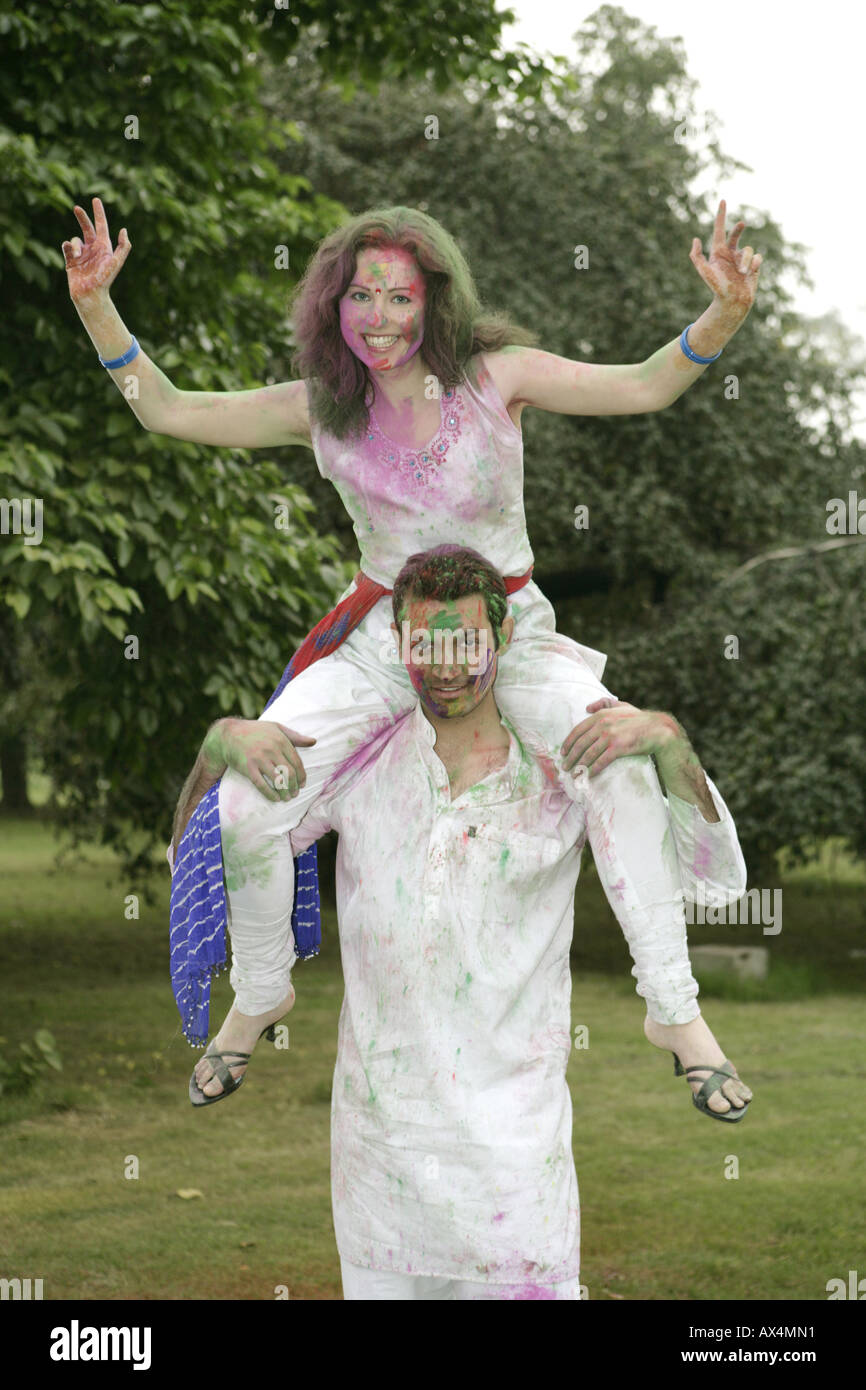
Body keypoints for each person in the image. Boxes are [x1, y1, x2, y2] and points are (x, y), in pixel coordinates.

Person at [62, 196, 763, 1085]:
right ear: (334, 305)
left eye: (400, 298)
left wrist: (725, 309)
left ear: (434, 300)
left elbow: (644, 385)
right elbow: (165, 409)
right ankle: (264, 991)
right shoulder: (321, 406)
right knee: (245, 799)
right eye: (361, 296)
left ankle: (675, 1012)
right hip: (384, 644)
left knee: (621, 760)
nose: (381, 319)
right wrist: (95, 304)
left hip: (513, 634)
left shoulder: (495, 377)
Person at [196, 545, 752, 1300]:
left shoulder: (561, 773)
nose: (447, 666)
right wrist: (222, 740)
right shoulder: (362, 766)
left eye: (467, 643)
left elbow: (710, 868)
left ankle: (675, 1015)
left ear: (505, 637)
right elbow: (220, 836)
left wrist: (668, 740)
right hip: (380, 1160)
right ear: (396, 643)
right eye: (426, 645)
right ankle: (259, 1000)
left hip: (515, 1164)